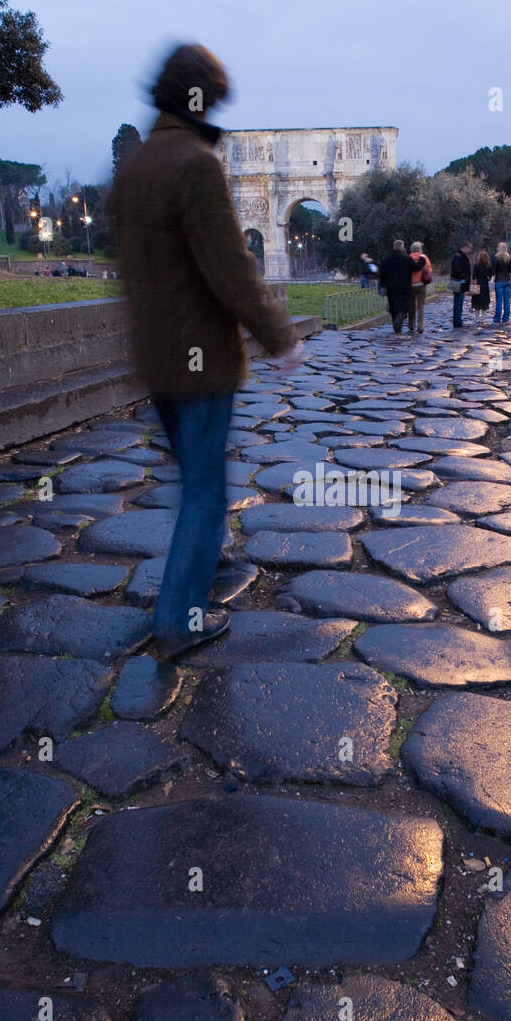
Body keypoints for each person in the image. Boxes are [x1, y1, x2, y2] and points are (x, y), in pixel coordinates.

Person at [111, 42, 301, 659]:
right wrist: (278, 334)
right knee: (204, 490)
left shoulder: (135, 166)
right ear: (200, 98)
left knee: (193, 477)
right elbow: (231, 268)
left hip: (156, 357)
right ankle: (180, 618)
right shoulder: (195, 165)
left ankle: (206, 564)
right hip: (200, 358)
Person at [379, 239, 414, 333]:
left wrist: (382, 285)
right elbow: (415, 268)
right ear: (402, 247)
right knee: (402, 307)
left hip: (391, 287)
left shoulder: (386, 260)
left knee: (393, 307)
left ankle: (396, 325)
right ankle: (398, 322)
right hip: (404, 287)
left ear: (393, 247)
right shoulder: (407, 259)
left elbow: (382, 274)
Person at [408, 241, 432, 333]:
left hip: (410, 285)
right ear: (420, 249)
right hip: (421, 284)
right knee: (420, 306)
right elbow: (429, 269)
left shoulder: (408, 257)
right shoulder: (424, 258)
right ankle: (420, 326)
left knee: (411, 306)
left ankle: (411, 325)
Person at [491, 241, 511, 323]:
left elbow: (493, 270)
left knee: (499, 301)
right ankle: (506, 318)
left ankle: (497, 318)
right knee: (507, 301)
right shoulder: (509, 258)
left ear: (499, 248)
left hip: (499, 281)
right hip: (508, 281)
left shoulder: (495, 258)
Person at [450, 240, 472, 328]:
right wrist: (464, 277)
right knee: (458, 302)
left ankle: (458, 320)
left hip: (457, 282)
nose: (470, 251)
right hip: (459, 282)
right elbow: (457, 270)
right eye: (469, 249)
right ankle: (458, 322)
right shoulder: (459, 257)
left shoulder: (458, 256)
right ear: (465, 247)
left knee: (458, 302)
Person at [471, 250, 493, 323]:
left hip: (478, 284)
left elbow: (473, 276)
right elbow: (490, 276)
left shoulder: (476, 266)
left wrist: (472, 283)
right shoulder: (488, 266)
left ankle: (477, 318)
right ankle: (483, 318)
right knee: (484, 301)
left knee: (476, 301)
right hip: (485, 284)